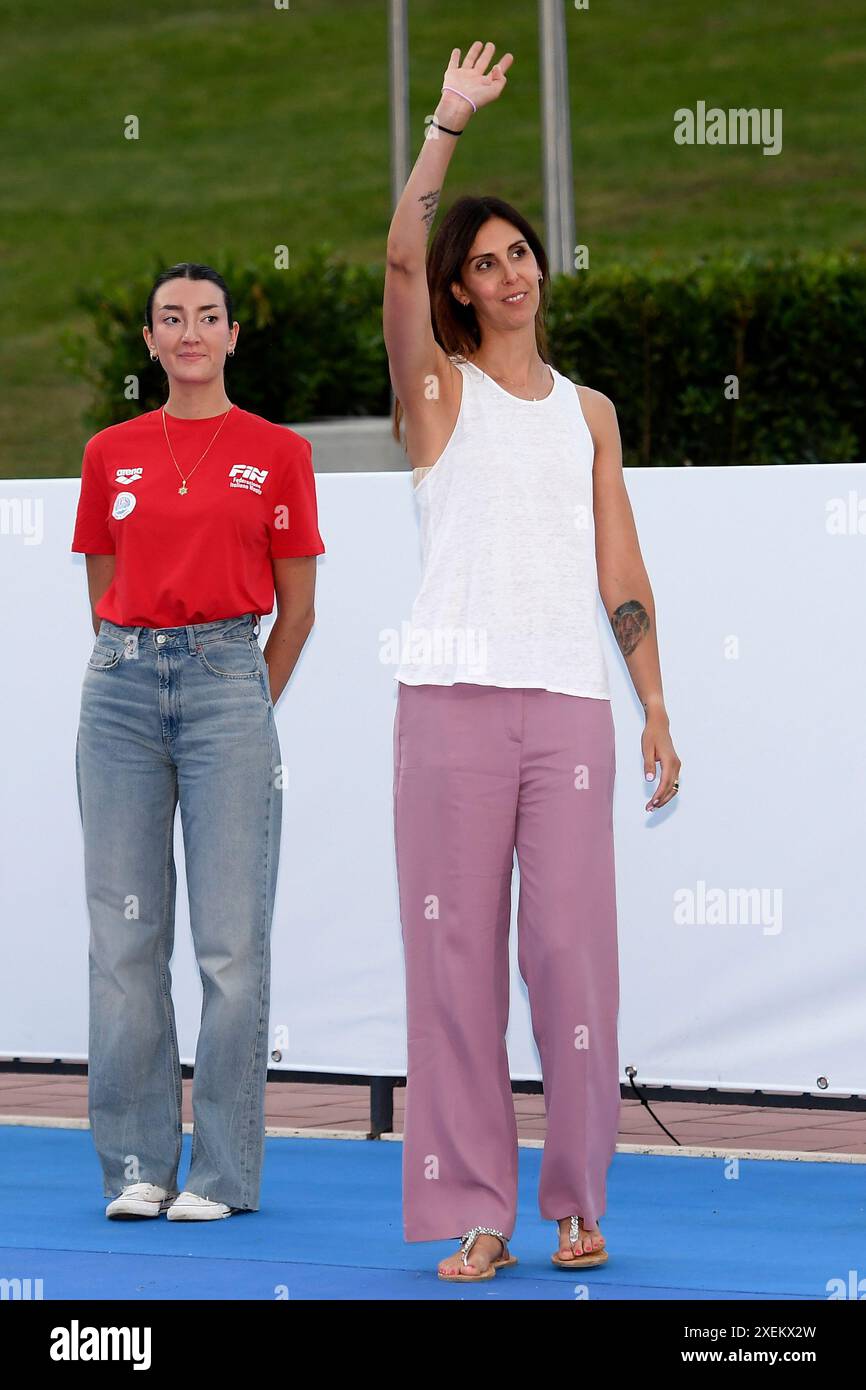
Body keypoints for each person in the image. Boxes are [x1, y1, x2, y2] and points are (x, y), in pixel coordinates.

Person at [384, 41, 681, 1280]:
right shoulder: (436, 393)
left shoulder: (592, 412)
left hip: (569, 707)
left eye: (517, 254)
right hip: (448, 703)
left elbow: (620, 568)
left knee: (570, 955)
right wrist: (448, 121)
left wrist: (654, 702)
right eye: (482, 263)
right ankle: (477, 1210)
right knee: (452, 962)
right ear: (456, 291)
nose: (506, 273)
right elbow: (397, 257)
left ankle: (574, 1198)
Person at [71, 262, 324, 1220]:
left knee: (230, 947)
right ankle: (136, 1166)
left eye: (207, 317)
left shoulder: (279, 452)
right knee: (124, 943)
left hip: (229, 685)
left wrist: (242, 701)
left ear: (230, 336)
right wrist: (139, 665)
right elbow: (103, 588)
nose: (189, 333)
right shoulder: (111, 452)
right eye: (170, 319)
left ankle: (220, 1174)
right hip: (121, 693)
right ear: (148, 340)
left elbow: (297, 611)